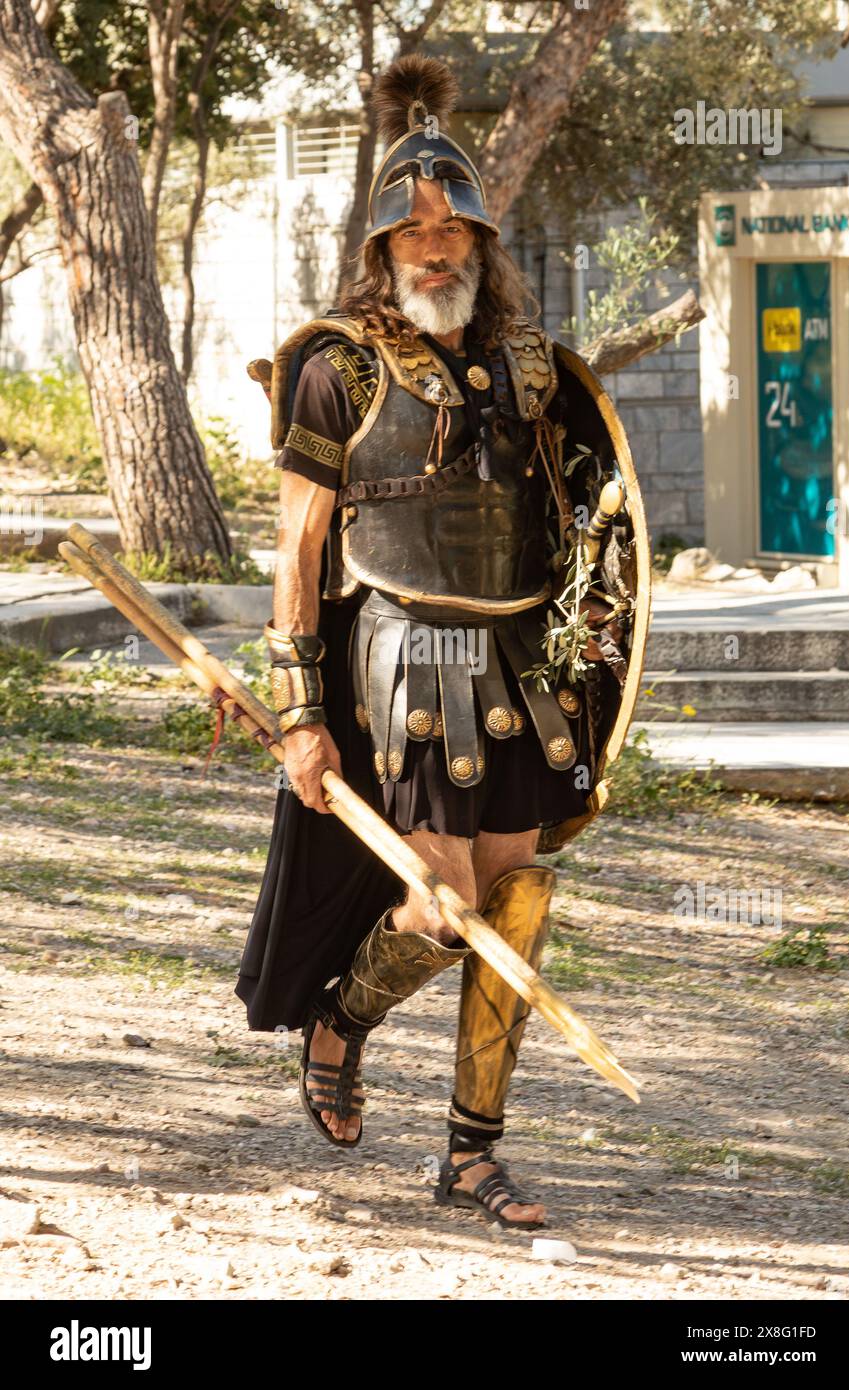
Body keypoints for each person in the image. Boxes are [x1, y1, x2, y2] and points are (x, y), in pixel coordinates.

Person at [237, 53, 644, 1231]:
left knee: (514, 890)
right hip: (404, 655)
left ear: (478, 235)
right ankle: (341, 1020)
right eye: (410, 228)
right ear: (379, 249)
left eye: (452, 222)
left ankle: (470, 1153)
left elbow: (586, 519)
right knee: (441, 899)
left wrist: (600, 621)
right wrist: (301, 712)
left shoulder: (527, 363)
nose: (433, 242)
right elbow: (302, 542)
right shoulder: (337, 364)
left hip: (517, 654)